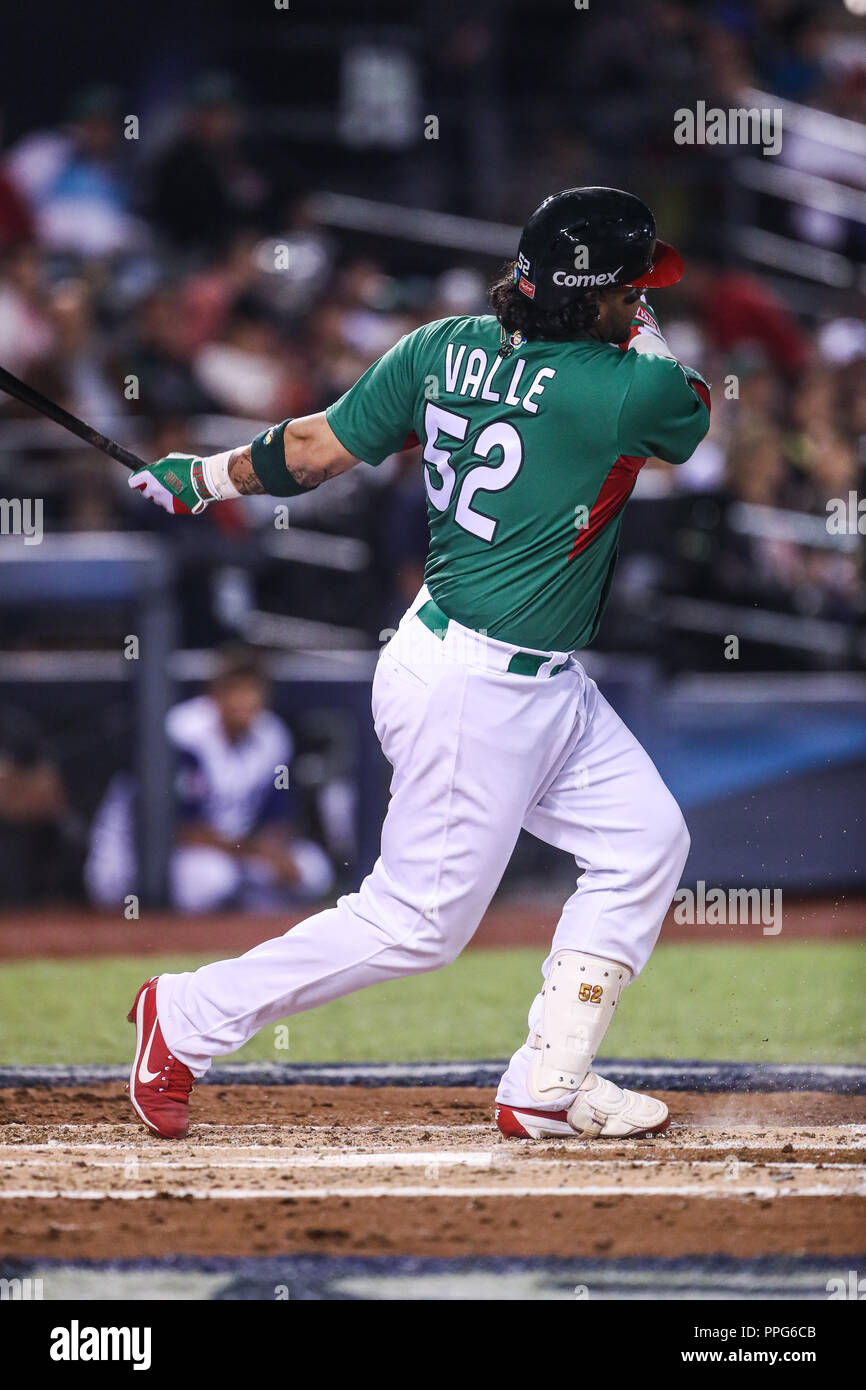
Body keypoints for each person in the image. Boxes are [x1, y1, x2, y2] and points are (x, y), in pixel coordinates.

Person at [124, 187, 710, 1141]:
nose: (641, 301)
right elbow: (686, 413)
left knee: (644, 842)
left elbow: (313, 450)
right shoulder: (624, 387)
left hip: (506, 668)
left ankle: (548, 1079)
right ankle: (186, 1017)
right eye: (632, 288)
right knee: (417, 923)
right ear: (597, 293)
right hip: (478, 686)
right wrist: (638, 322)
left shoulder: (442, 345)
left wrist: (205, 474)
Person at [85, 647, 332, 913]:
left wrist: (275, 853)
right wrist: (253, 852)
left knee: (315, 870)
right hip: (138, 853)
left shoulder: (272, 735)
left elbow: (278, 816)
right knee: (212, 880)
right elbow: (177, 829)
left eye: (252, 691)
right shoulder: (183, 731)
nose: (243, 701)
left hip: (233, 852)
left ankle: (247, 922)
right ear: (216, 694)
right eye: (235, 691)